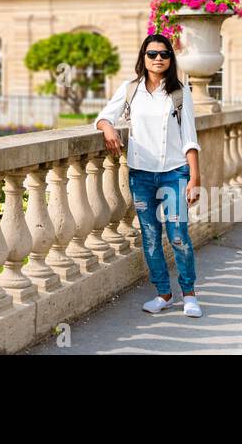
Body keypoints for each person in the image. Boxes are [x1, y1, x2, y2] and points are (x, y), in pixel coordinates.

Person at [95, 33, 203, 318]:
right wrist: (109, 129)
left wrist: (195, 178)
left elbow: (190, 137)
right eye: (152, 54)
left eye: (164, 54)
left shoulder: (180, 92)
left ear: (171, 59)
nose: (158, 59)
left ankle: (189, 295)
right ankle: (163, 294)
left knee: (178, 235)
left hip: (174, 173)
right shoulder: (131, 89)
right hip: (141, 175)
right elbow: (105, 116)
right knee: (151, 236)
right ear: (143, 57)